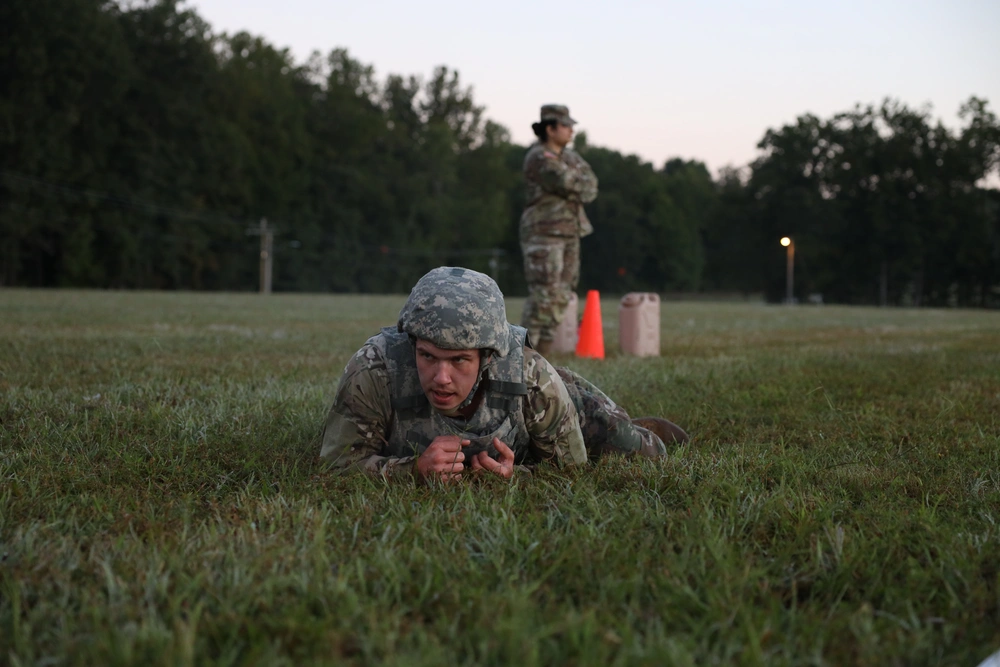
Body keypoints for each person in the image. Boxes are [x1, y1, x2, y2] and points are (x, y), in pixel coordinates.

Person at [319, 266, 688, 483]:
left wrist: (519, 476)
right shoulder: (375, 369)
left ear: (488, 355)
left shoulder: (531, 378)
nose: (441, 377)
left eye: (459, 361)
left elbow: (570, 473)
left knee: (629, 448)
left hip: (553, 408)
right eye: (427, 356)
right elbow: (335, 466)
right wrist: (413, 469)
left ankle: (641, 427)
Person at [520, 104, 598, 355]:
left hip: (570, 232)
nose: (572, 131)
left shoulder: (569, 157)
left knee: (562, 296)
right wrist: (576, 181)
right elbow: (566, 181)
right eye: (566, 126)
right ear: (550, 129)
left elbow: (591, 186)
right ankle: (522, 358)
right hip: (544, 234)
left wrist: (576, 181)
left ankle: (542, 359)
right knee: (544, 296)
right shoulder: (539, 157)